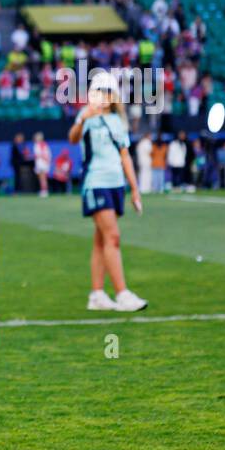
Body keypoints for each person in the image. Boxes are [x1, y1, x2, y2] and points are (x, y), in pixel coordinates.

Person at [68, 71, 147, 312]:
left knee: (101, 240)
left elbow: (125, 156)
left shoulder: (117, 121)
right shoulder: (86, 115)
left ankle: (97, 294)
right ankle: (122, 294)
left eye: (108, 92)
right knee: (113, 237)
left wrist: (135, 189)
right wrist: (82, 119)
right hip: (96, 181)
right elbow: (72, 138)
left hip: (115, 184)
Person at [32, 132, 51, 197]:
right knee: (42, 178)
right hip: (41, 163)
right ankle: (43, 190)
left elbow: (41, 154)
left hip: (42, 163)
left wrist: (46, 160)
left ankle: (45, 191)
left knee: (43, 178)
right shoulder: (42, 144)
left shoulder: (39, 145)